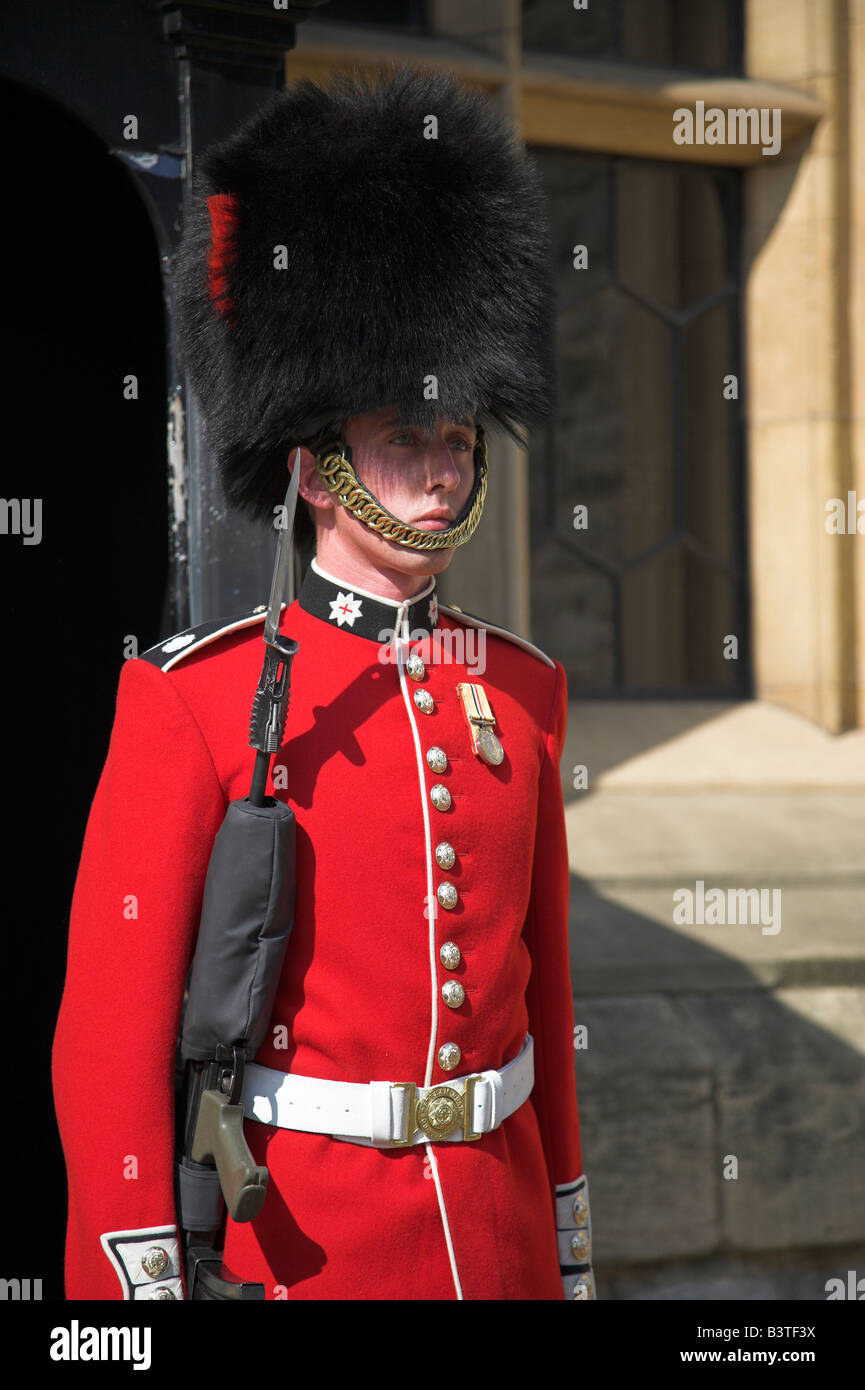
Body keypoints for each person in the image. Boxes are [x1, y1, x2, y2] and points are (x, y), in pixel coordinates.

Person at [52, 67, 594, 1301]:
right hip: (308, 1244)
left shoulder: (522, 689)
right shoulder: (196, 700)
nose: (442, 472)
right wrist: (138, 1286)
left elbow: (545, 1002)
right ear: (313, 466)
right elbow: (108, 1039)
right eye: (403, 437)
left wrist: (564, 1234)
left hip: (500, 1239)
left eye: (458, 440)